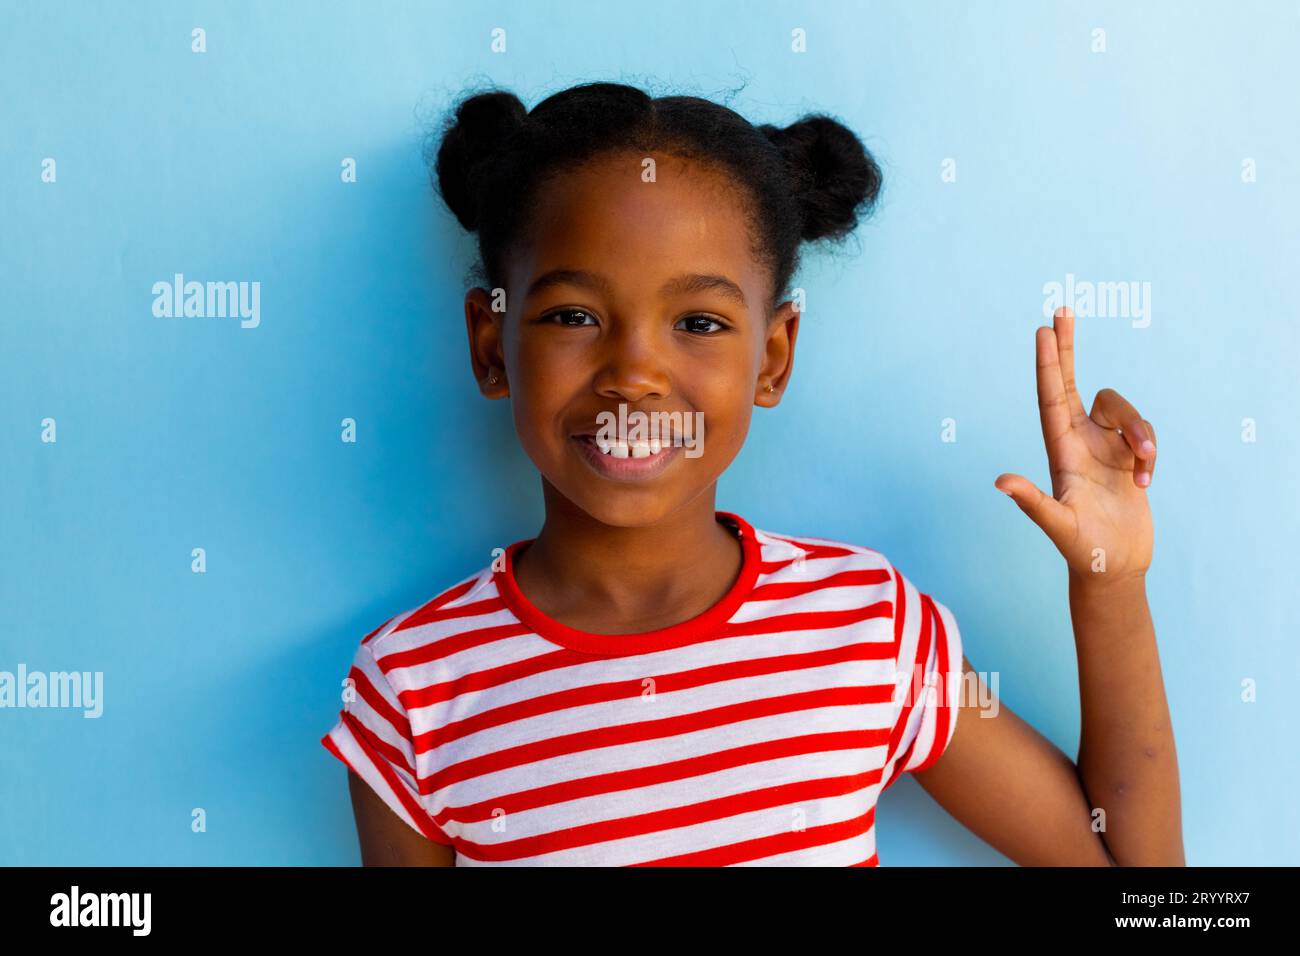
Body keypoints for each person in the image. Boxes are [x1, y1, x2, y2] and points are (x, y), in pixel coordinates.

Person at [321, 81, 1181, 867]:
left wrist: (1111, 581)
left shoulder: (871, 632)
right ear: (489, 343)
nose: (635, 372)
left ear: (773, 359)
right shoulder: (414, 691)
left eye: (697, 321)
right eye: (574, 314)